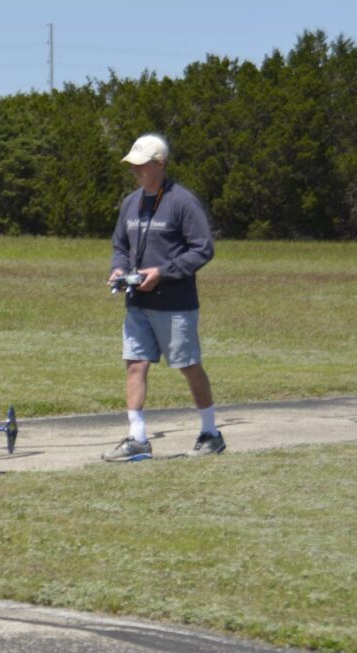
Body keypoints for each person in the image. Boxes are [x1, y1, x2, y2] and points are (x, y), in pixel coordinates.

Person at [102, 133, 225, 461]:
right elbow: (120, 246)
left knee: (188, 365)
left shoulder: (183, 202)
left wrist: (162, 272)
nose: (136, 172)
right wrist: (119, 270)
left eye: (142, 166)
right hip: (137, 303)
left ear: (160, 164)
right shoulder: (130, 203)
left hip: (174, 304)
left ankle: (210, 432)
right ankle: (137, 438)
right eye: (132, 166)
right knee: (135, 365)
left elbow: (203, 248)